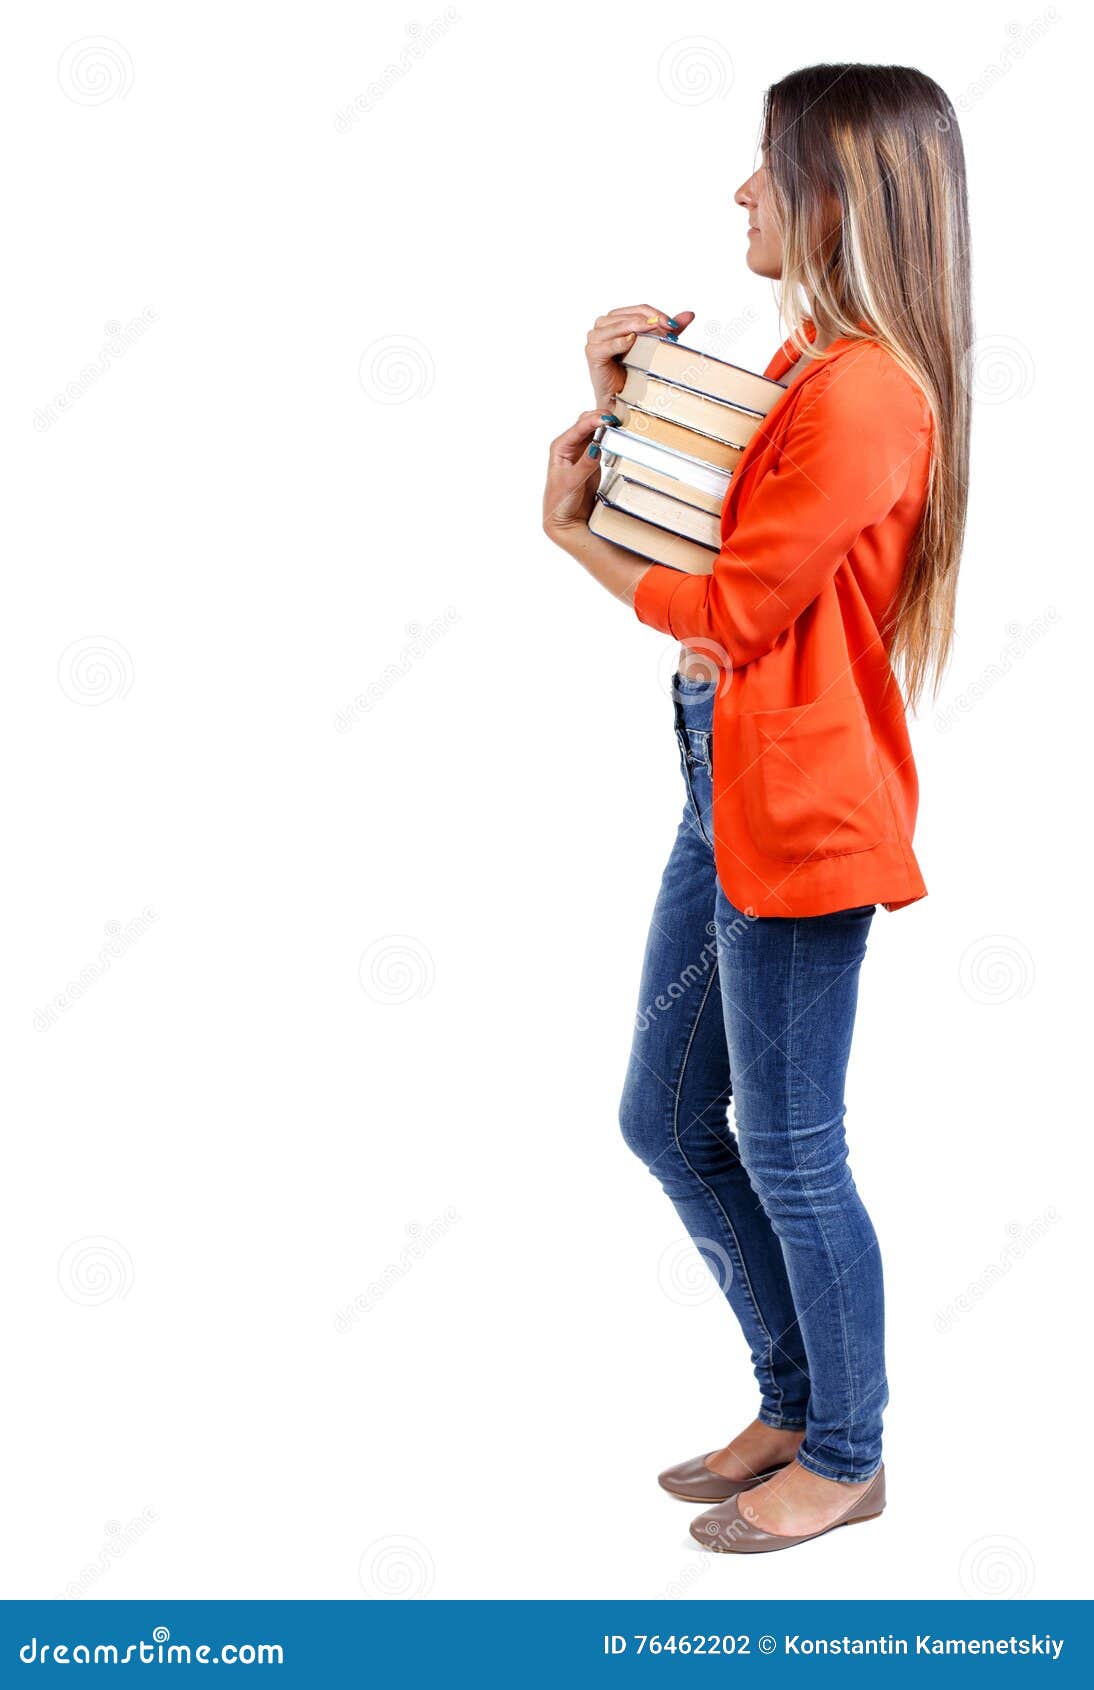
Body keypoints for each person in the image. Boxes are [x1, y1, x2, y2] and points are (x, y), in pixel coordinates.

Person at [540, 63, 970, 1554]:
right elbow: (718, 525)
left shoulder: (861, 391)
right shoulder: (804, 366)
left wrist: (566, 532)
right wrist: (624, 414)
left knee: (788, 1144)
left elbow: (727, 598)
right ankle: (793, 1404)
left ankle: (846, 1454)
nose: (737, 194)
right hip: (728, 778)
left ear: (836, 193)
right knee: (665, 1116)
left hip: (798, 811)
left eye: (761, 170)